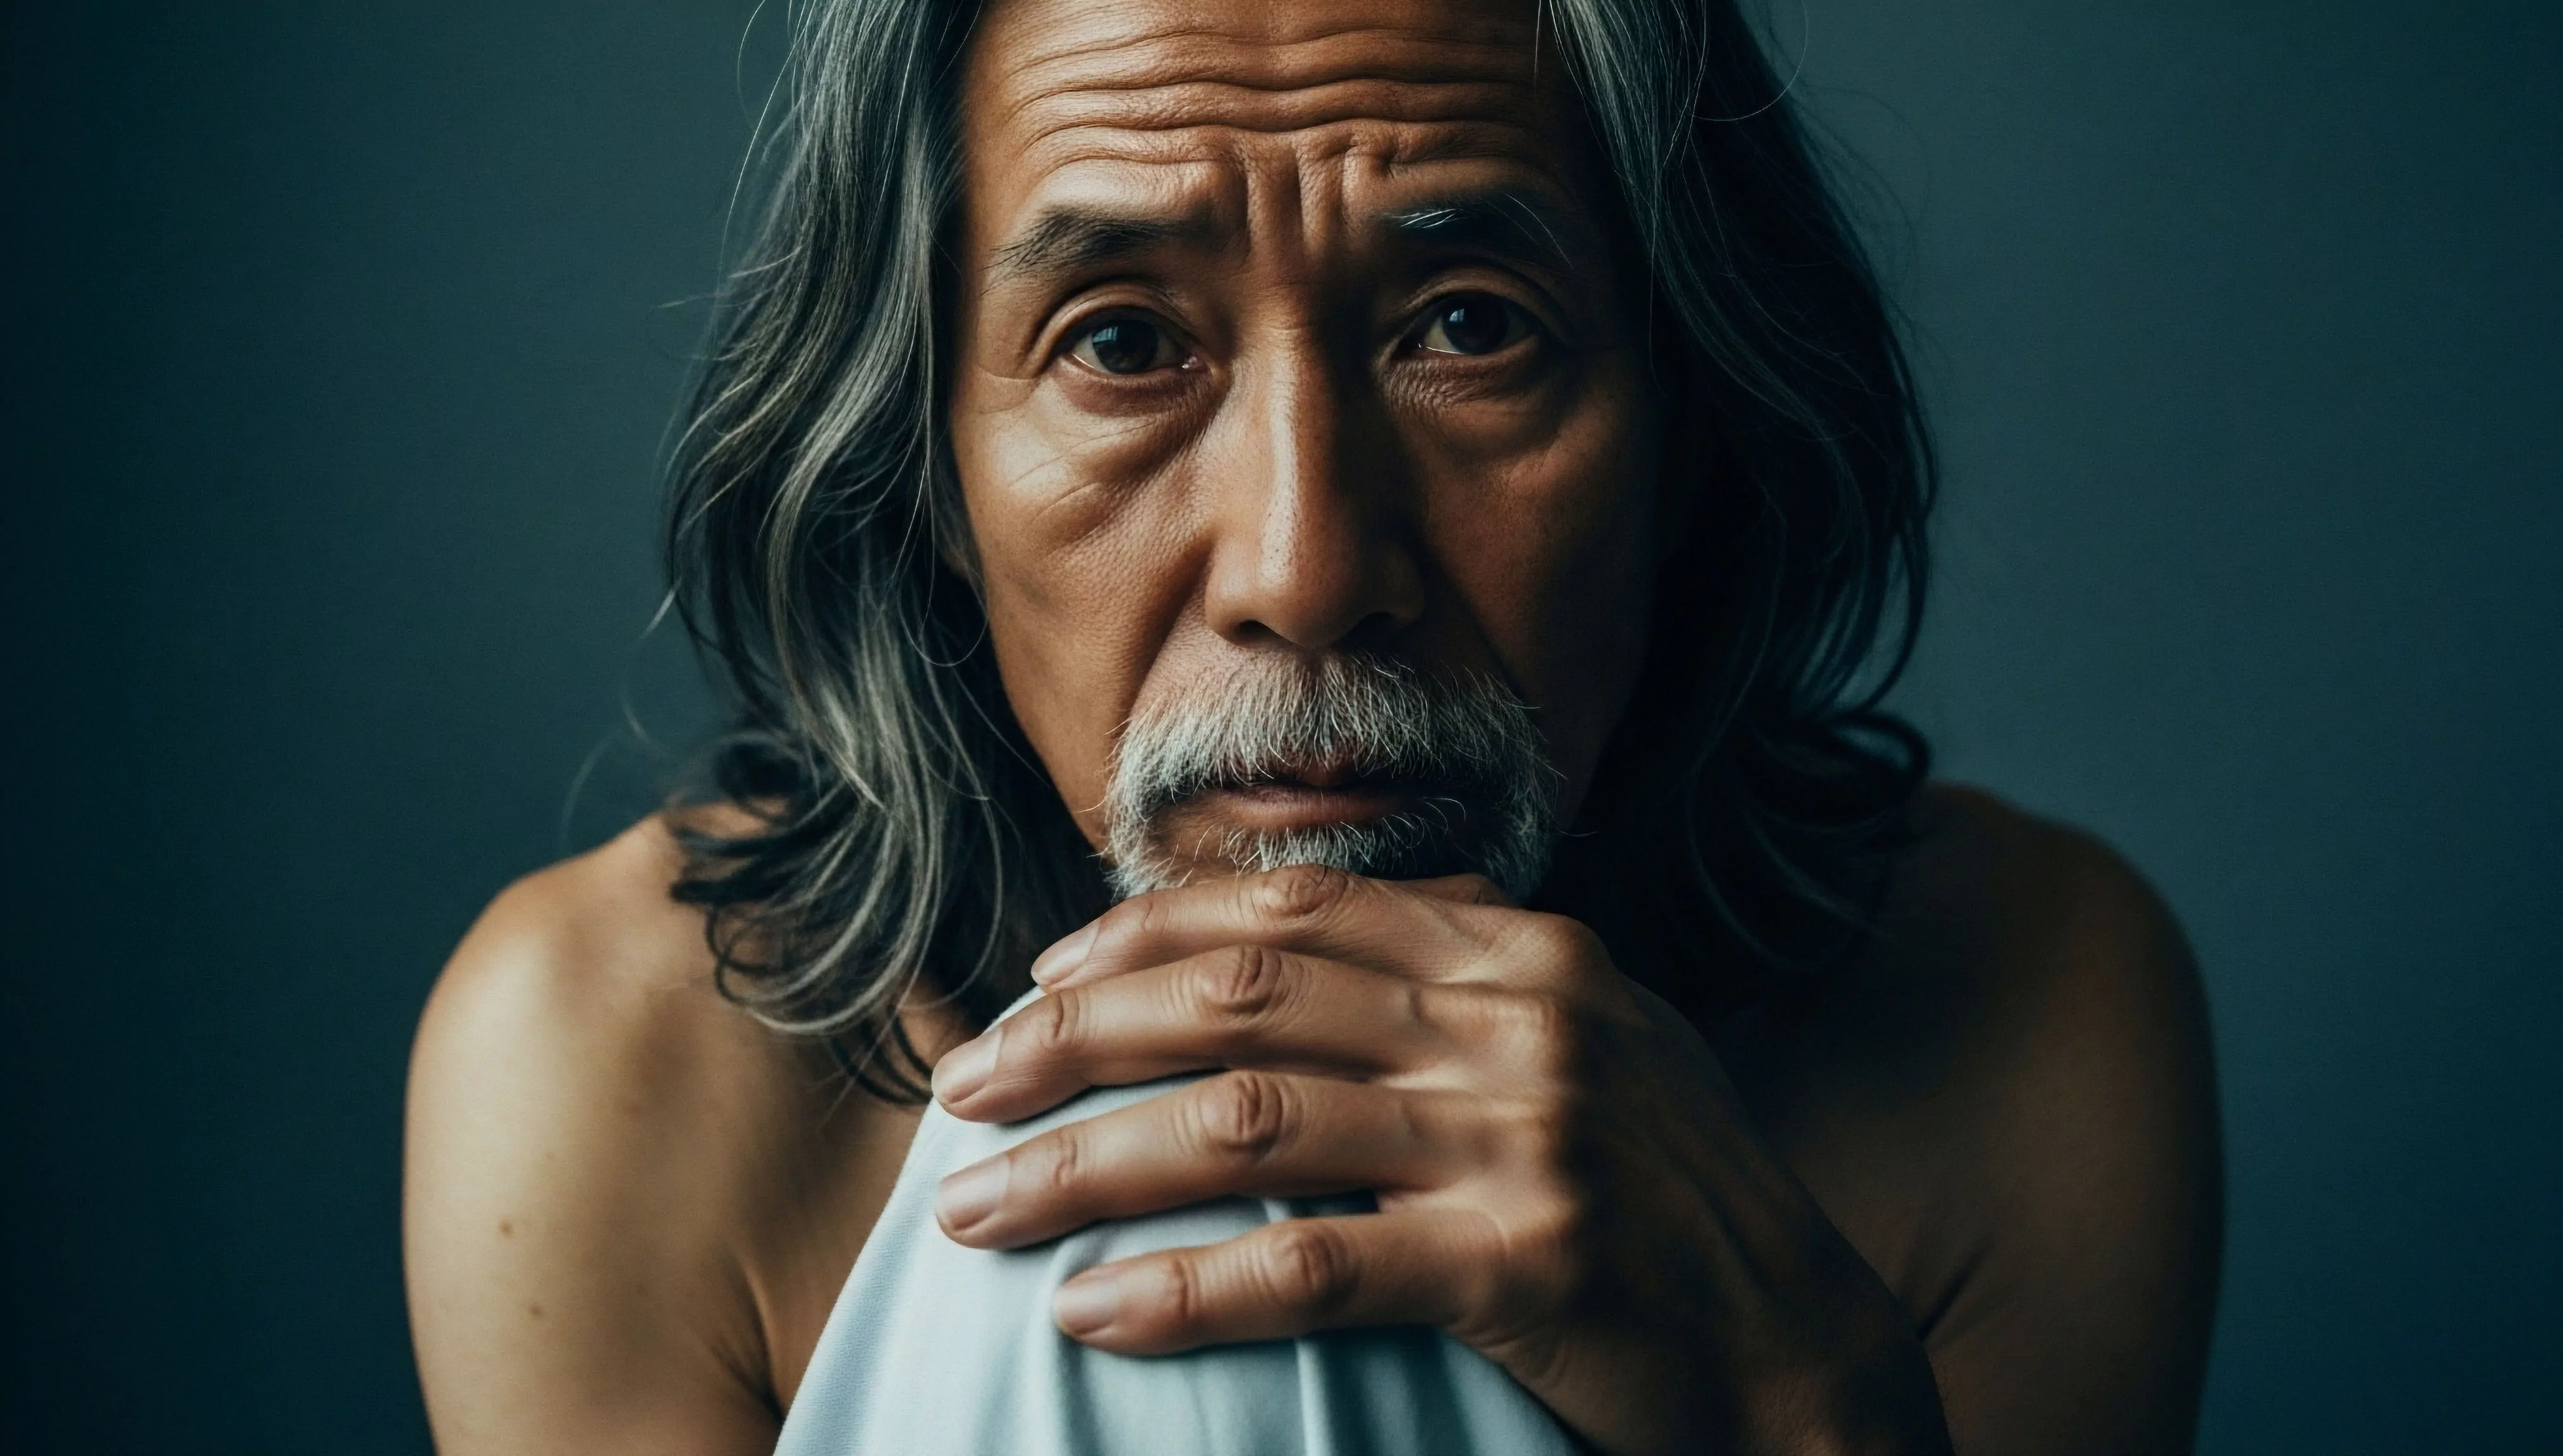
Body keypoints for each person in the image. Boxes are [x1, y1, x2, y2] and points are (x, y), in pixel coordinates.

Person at [403, 0, 2223, 1450]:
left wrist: (1807, 1407)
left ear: (1687, 430)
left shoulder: (2012, 1007)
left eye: (1469, 327)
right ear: (929, 471)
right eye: (1123, 345)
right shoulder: (621, 1066)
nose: (1306, 565)